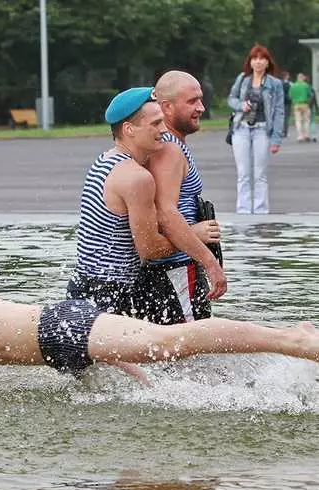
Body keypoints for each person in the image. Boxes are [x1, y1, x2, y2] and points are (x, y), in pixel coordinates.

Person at [0, 238, 319, 385]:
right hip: (58, 341)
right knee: (153, 377)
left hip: (60, 328)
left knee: (167, 343)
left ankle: (292, 339)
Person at [66, 87, 218, 316]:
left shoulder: (103, 162)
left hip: (82, 286)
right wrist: (194, 234)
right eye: (155, 124)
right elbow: (149, 249)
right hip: (112, 294)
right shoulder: (138, 178)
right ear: (129, 129)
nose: (164, 130)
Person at [135, 70, 226, 325]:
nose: (201, 107)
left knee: (179, 351)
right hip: (174, 268)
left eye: (200, 99)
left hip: (177, 266)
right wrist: (209, 262)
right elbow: (165, 213)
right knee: (192, 350)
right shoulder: (169, 149)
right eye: (192, 101)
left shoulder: (167, 144)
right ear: (166, 107)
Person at [228, 43, 284, 214]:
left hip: (262, 130)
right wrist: (241, 105)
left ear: (268, 62)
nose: (258, 62)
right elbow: (231, 98)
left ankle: (261, 211)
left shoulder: (275, 84)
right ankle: (243, 211)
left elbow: (279, 112)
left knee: (260, 173)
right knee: (243, 173)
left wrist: (276, 139)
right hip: (241, 129)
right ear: (250, 62)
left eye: (262, 59)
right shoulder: (242, 79)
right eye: (255, 58)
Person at [289, 73, 312, 142]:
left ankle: (300, 136)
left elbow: (290, 96)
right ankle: (307, 135)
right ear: (303, 78)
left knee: (298, 121)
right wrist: (308, 100)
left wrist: (294, 100)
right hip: (305, 104)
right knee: (306, 120)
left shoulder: (293, 86)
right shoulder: (306, 85)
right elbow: (310, 95)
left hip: (296, 105)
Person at [281, 70, 292, 138]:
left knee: (282, 117)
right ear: (286, 76)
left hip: (281, 102)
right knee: (286, 118)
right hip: (287, 103)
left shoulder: (279, 83)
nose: (289, 76)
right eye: (288, 75)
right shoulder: (289, 84)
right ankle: (285, 132)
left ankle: (282, 131)